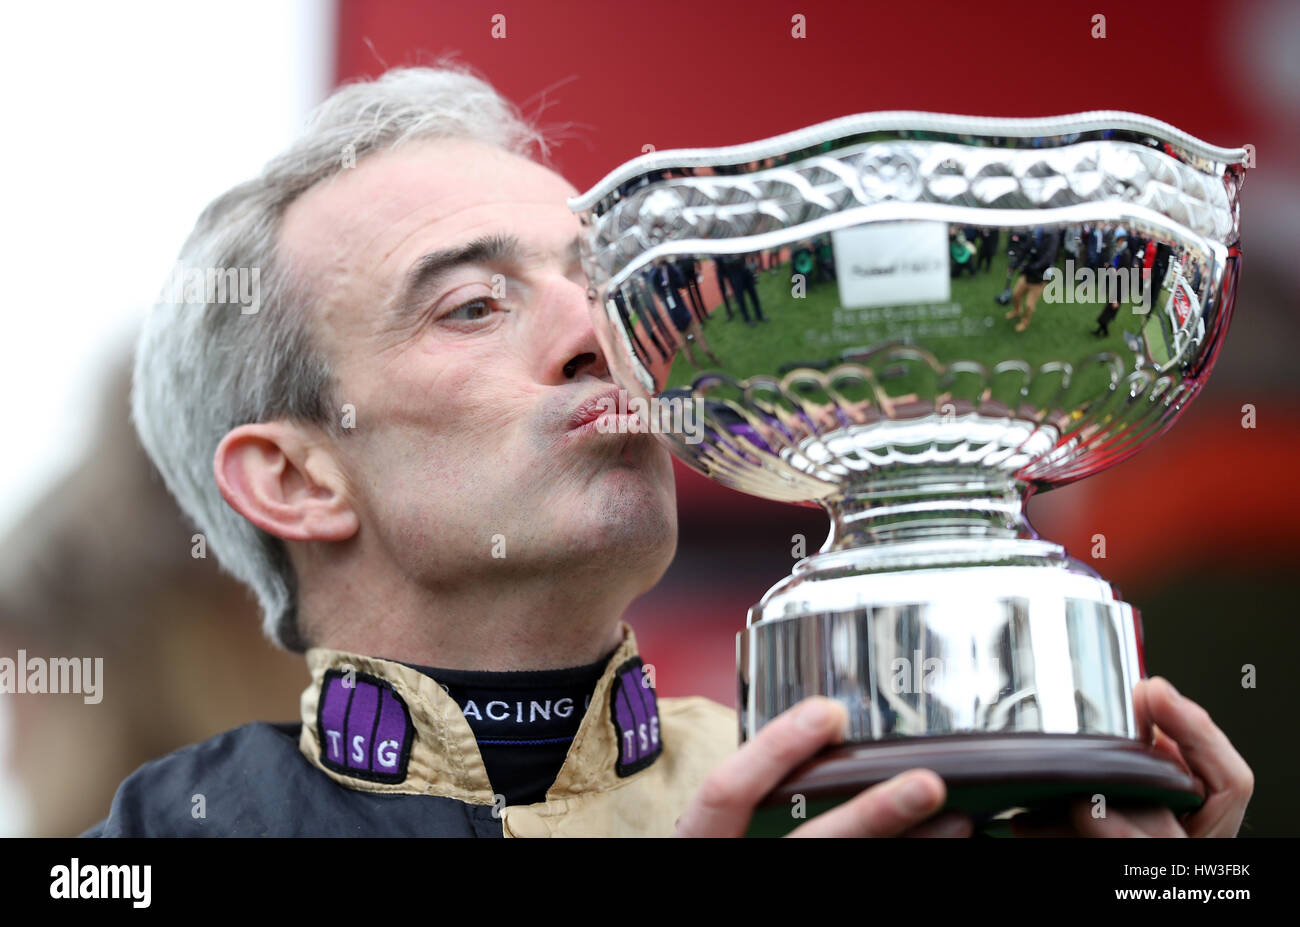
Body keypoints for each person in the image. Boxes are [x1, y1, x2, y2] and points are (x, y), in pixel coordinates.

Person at [83, 65, 1252, 838]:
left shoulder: (856, 786)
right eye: (474, 306)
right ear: (295, 477)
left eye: (605, 285)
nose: (603, 337)